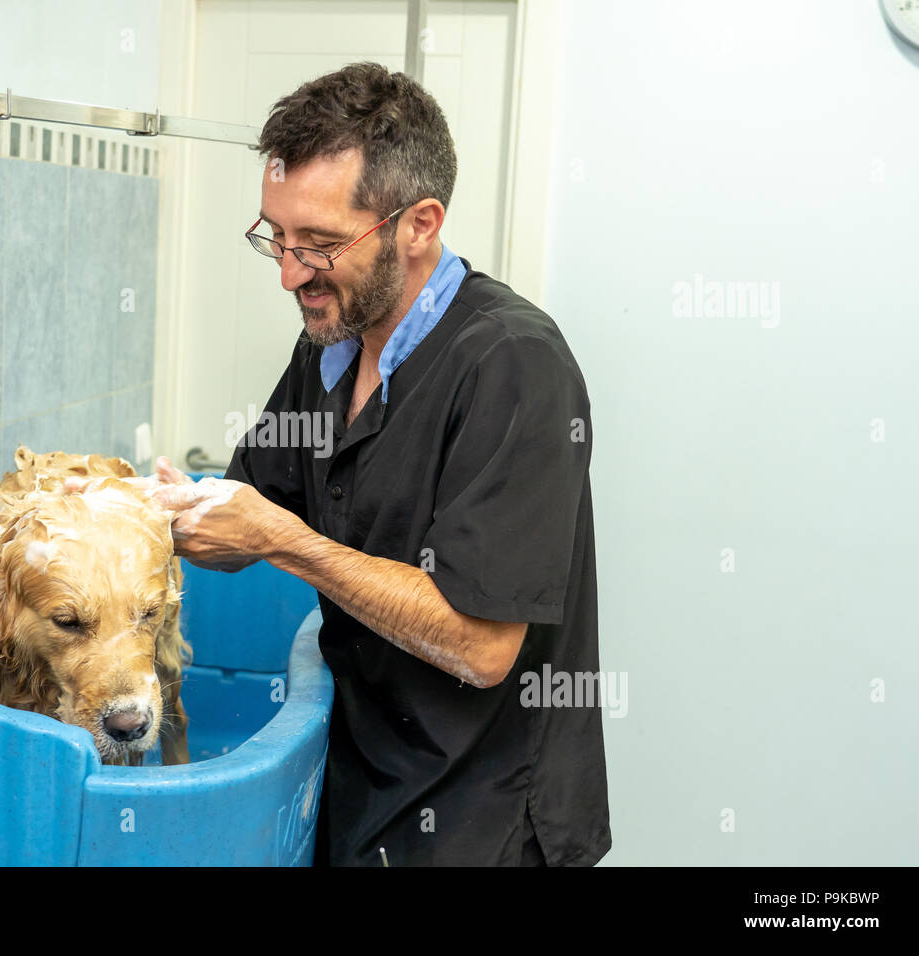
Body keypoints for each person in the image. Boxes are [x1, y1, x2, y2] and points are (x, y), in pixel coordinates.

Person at [147, 61, 611, 867]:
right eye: (276, 238)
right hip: (361, 785)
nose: (291, 274)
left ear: (420, 224)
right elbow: (241, 513)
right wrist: (122, 514)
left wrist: (286, 542)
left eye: (321, 245)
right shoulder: (329, 344)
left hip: (484, 820)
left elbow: (480, 645)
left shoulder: (514, 366)